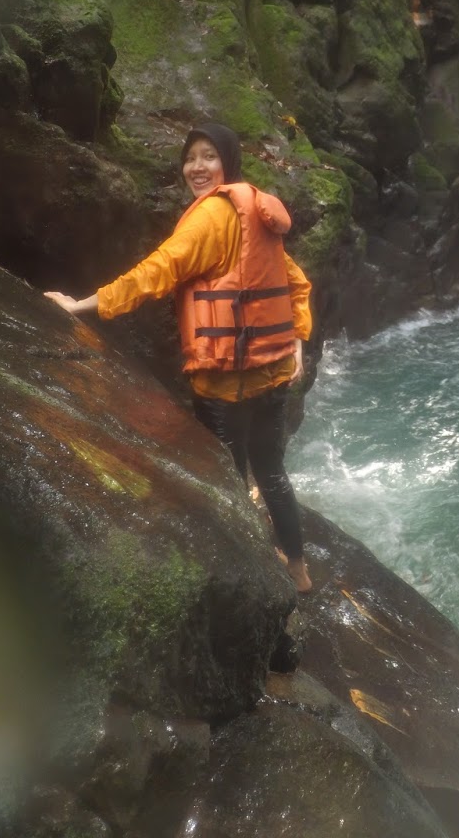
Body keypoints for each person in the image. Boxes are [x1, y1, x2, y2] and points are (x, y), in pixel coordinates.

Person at [45, 122, 315, 592]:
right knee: (271, 470)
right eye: (190, 158)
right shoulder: (257, 212)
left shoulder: (211, 216)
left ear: (227, 162)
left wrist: (84, 305)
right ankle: (298, 568)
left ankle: (257, 583)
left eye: (208, 156)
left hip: (224, 381)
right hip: (273, 372)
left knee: (228, 484)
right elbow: (296, 282)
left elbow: (159, 271)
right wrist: (296, 341)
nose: (196, 167)